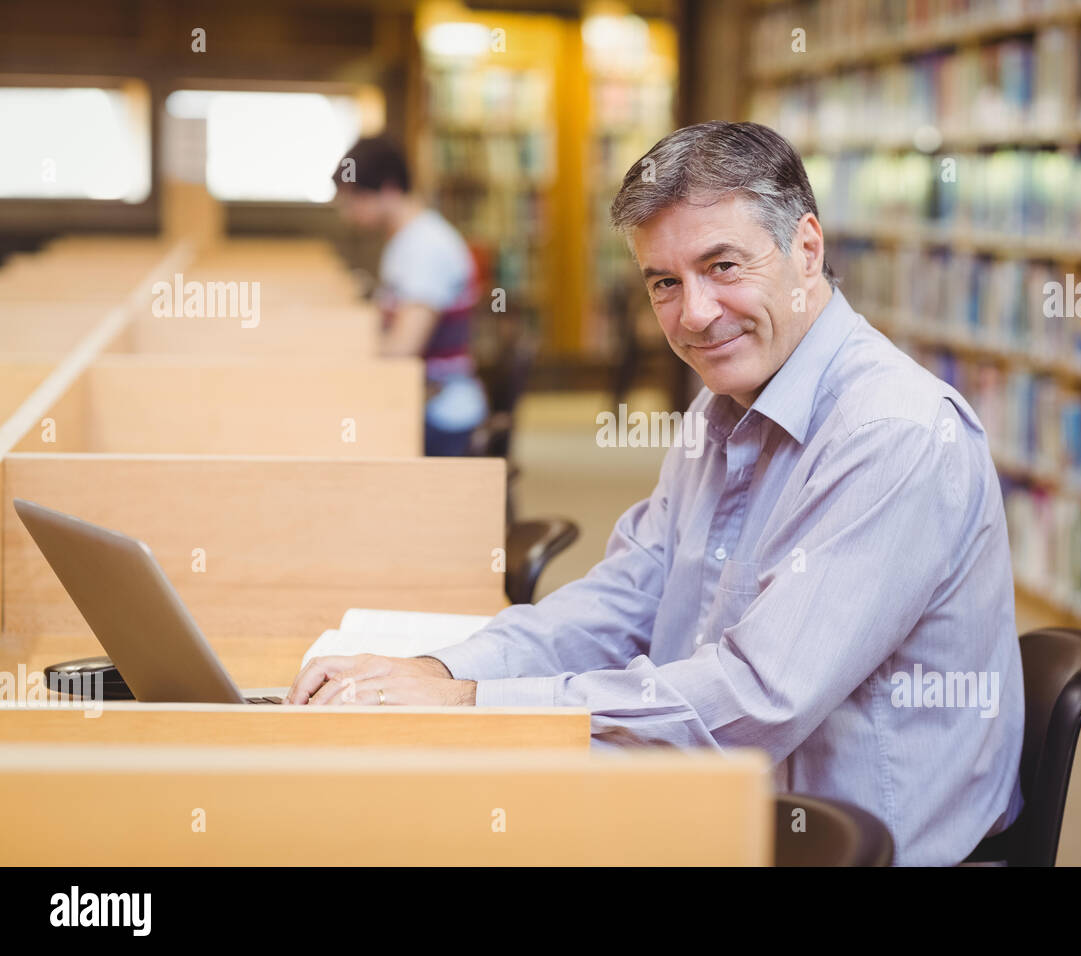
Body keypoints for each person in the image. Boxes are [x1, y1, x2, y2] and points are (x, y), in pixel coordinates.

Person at [292, 122, 1026, 866]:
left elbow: (756, 699)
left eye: (724, 266)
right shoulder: (723, 407)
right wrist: (445, 670)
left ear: (808, 249)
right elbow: (621, 601)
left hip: (839, 842)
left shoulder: (889, 434)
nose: (696, 314)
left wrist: (475, 705)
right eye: (665, 283)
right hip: (721, 800)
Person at [332, 136, 487, 456]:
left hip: (441, 414)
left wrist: (351, 356)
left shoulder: (424, 247)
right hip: (423, 400)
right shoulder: (409, 239)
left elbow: (403, 348)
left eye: (354, 199)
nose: (348, 214)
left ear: (388, 190)